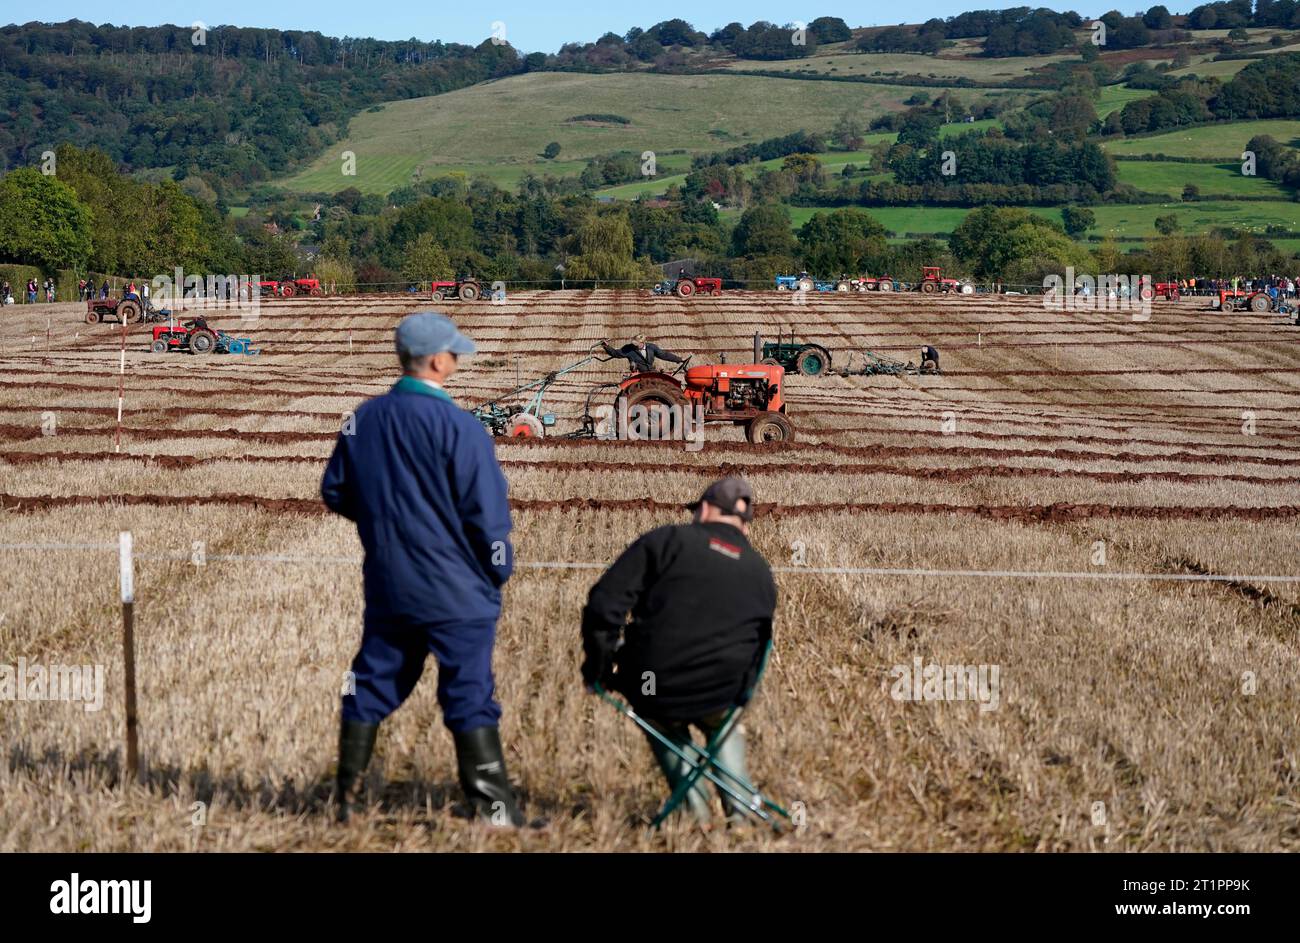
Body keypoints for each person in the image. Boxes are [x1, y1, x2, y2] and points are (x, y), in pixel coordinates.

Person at [321, 311, 524, 827]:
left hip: (390, 585)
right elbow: (489, 517)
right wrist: (497, 571)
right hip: (458, 590)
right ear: (437, 360)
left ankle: (344, 802)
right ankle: (494, 812)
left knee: (370, 683)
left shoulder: (362, 420)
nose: (457, 359)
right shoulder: (462, 428)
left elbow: (335, 491)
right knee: (469, 695)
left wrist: (386, 528)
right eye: (454, 352)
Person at [581, 476, 777, 827]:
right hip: (726, 690)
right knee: (723, 722)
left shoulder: (667, 540)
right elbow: (762, 645)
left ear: (704, 509)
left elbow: (603, 607)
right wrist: (740, 692)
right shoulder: (760, 571)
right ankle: (743, 815)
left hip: (655, 684)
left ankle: (695, 817)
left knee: (662, 716)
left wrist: (598, 666)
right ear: (744, 527)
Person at [600, 334, 687, 373]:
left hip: (652, 372)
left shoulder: (652, 347)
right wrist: (606, 347)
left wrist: (679, 359)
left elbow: (664, 355)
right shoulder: (629, 348)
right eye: (633, 343)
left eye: (636, 344)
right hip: (639, 373)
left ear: (643, 343)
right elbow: (616, 353)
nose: (634, 345)